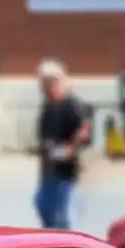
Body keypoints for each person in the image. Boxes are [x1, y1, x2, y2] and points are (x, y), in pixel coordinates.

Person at [34, 59, 90, 230]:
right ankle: (50, 238)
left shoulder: (71, 104)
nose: (45, 87)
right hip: (49, 168)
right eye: (44, 82)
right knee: (43, 204)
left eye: (49, 82)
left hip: (65, 169)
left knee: (63, 213)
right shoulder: (48, 106)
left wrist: (71, 148)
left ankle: (65, 242)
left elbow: (83, 128)